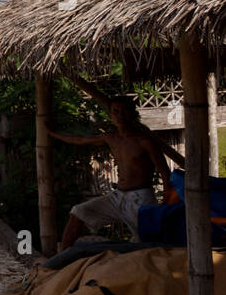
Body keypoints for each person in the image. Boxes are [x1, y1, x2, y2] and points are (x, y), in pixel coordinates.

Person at [48, 96, 173, 250]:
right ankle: (61, 260)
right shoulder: (111, 138)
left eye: (124, 112)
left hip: (140, 198)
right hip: (117, 196)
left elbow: (164, 171)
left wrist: (167, 201)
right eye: (116, 112)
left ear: (133, 114)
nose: (120, 115)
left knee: (148, 244)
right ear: (111, 116)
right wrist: (52, 134)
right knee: (78, 212)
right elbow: (80, 140)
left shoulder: (144, 141)